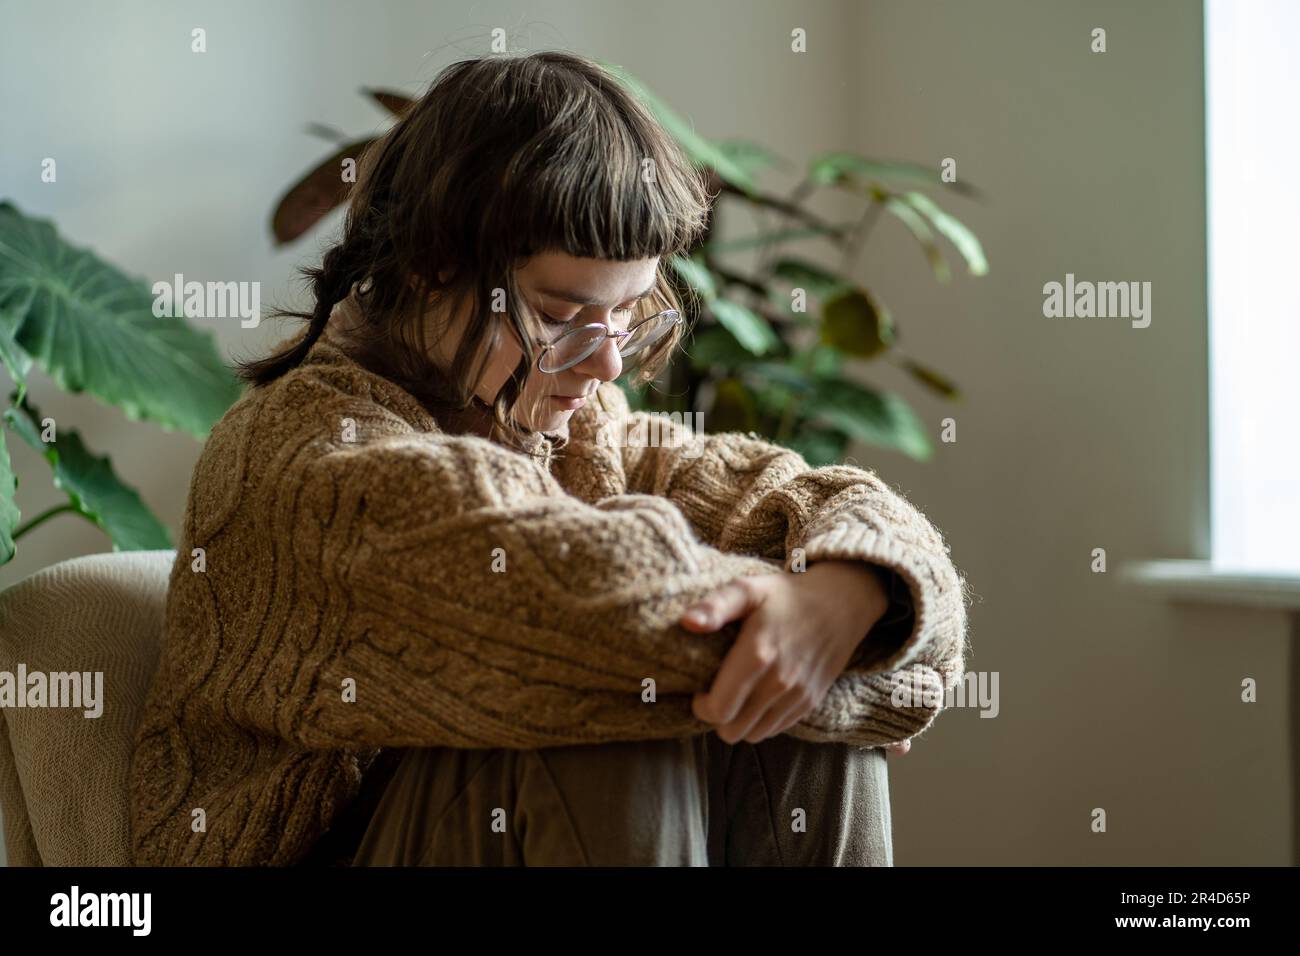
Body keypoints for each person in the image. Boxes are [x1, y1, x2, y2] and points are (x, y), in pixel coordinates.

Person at [127, 50, 970, 868]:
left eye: (632, 313)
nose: (607, 365)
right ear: (430, 268)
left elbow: (824, 504)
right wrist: (856, 653)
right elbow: (606, 629)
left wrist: (855, 591)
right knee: (611, 713)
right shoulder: (313, 459)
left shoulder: (574, 425)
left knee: (785, 709)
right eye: (562, 315)